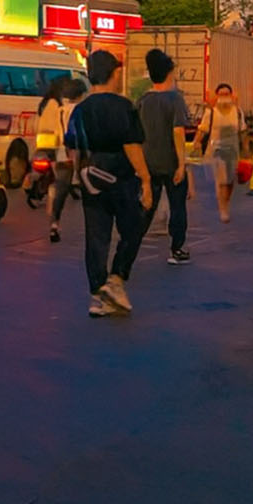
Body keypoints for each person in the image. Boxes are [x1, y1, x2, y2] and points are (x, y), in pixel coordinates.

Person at [67, 50, 154, 317]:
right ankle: (116, 278)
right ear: (114, 73)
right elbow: (131, 145)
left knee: (96, 236)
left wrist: (78, 175)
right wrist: (146, 179)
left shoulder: (79, 110)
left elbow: (73, 149)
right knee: (134, 226)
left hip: (91, 177)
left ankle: (98, 295)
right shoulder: (123, 106)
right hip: (121, 177)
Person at [137, 49, 192, 263]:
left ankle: (131, 242)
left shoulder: (143, 100)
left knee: (147, 205)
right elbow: (178, 133)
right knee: (177, 206)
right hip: (170, 163)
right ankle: (176, 249)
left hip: (149, 162)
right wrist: (181, 164)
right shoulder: (175, 99)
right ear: (169, 73)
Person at [37, 76, 87, 243]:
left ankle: (54, 224)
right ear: (81, 94)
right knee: (88, 190)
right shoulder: (82, 110)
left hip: (61, 155)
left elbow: (53, 133)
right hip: (80, 155)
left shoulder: (60, 110)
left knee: (61, 190)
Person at [195, 81, 248, 227]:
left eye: (227, 94)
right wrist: (196, 142)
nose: (224, 97)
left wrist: (246, 150)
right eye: (221, 94)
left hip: (232, 151)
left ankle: (226, 202)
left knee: (230, 181)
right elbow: (203, 129)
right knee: (221, 180)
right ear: (217, 96)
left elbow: (242, 132)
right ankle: (223, 209)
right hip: (215, 151)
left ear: (231, 95)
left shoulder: (237, 112)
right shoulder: (211, 112)